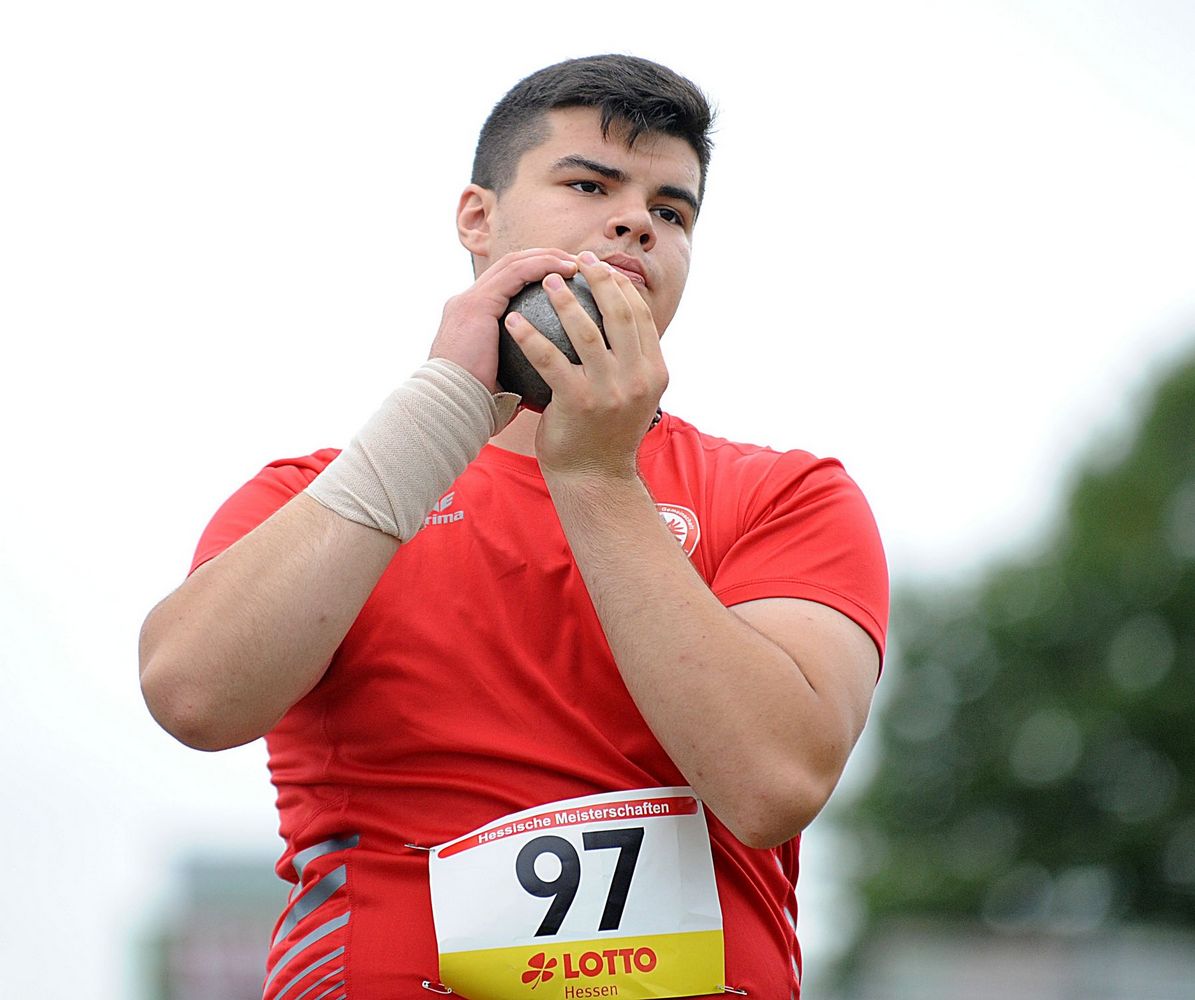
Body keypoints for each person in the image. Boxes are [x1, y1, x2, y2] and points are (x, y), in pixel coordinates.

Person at [139, 54, 888, 1000]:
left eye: (671, 211)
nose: (637, 223)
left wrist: (595, 475)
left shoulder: (786, 494)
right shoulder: (316, 499)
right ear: (477, 218)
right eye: (589, 186)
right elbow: (193, 698)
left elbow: (771, 782)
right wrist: (438, 415)